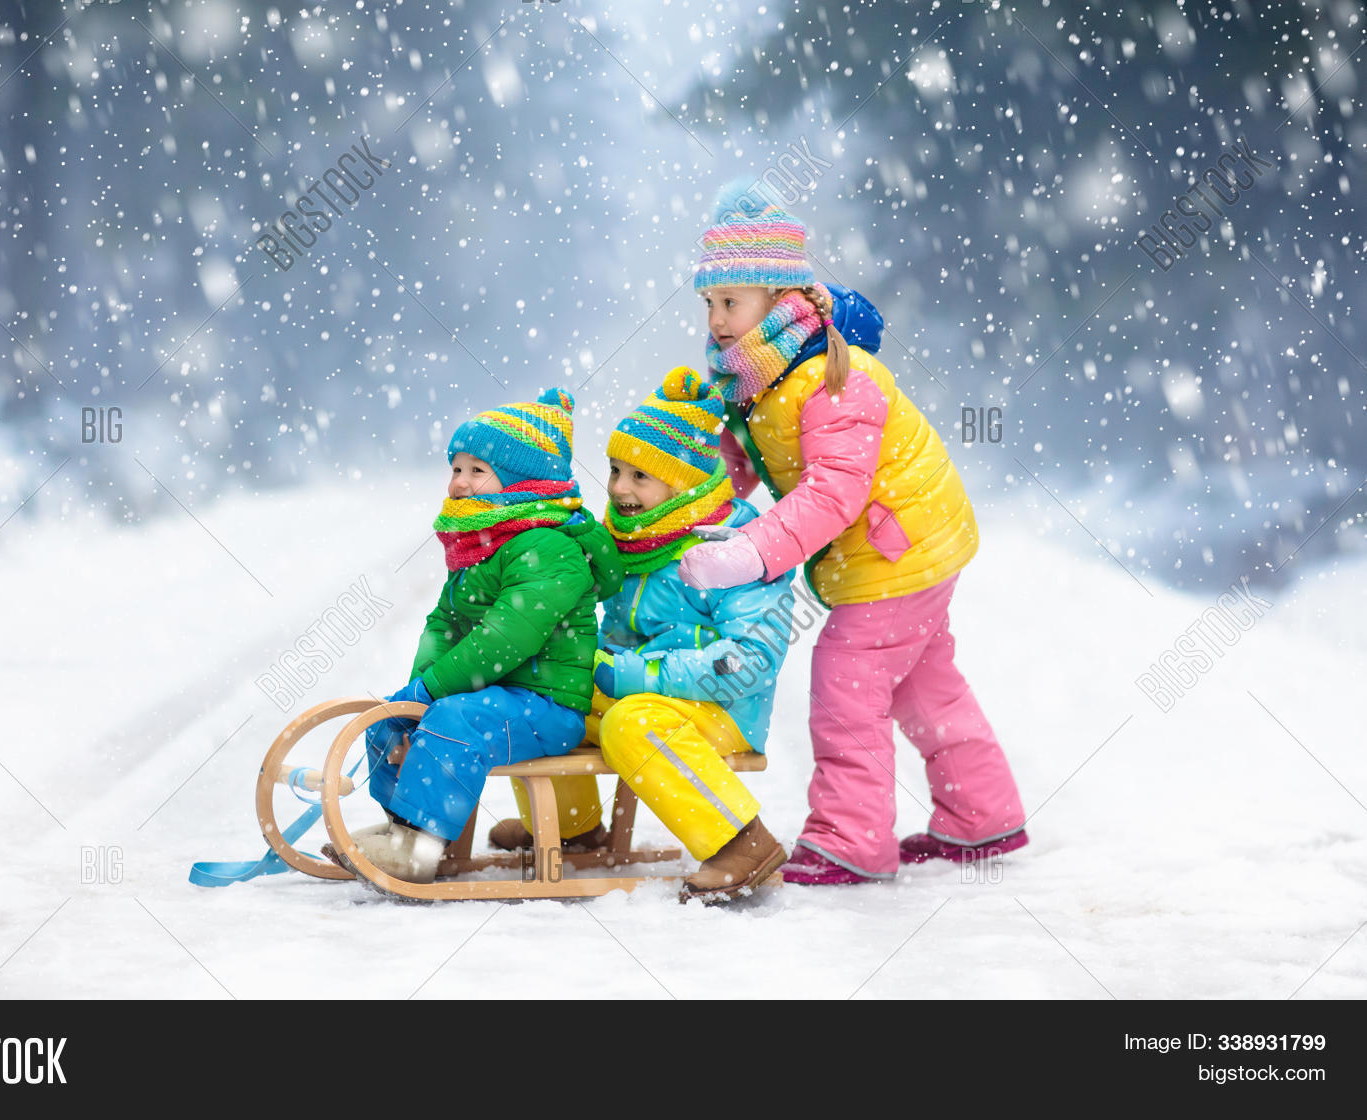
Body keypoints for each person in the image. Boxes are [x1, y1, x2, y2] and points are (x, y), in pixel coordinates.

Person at [678, 182, 1029, 884]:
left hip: (898, 548)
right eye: (711, 304)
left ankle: (853, 838)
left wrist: (751, 553)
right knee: (924, 685)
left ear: (779, 304)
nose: (716, 321)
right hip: (906, 547)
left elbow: (833, 492)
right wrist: (688, 492)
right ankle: (982, 818)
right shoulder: (761, 380)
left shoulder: (836, 377)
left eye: (730, 303)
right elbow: (750, 465)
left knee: (848, 680)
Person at [489, 367, 796, 902]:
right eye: (614, 470)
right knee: (542, 693)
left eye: (639, 476)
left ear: (684, 483)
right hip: (642, 691)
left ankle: (740, 840)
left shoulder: (736, 548)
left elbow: (750, 659)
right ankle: (573, 828)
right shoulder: (633, 543)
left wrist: (635, 673)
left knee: (632, 722)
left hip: (723, 709)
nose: (619, 488)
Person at [327, 387, 624, 884]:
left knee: (452, 719)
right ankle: (401, 828)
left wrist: (432, 691)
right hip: (496, 694)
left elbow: (506, 638)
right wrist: (415, 689)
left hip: (547, 706)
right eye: (457, 468)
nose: (459, 483)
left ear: (523, 483)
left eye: (476, 471)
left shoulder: (549, 547)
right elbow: (443, 624)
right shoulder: (478, 546)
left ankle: (421, 847)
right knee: (390, 717)